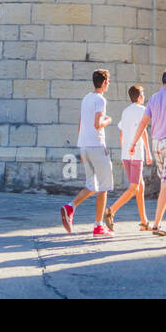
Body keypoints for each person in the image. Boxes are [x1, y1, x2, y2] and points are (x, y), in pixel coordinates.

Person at [126, 68, 166, 236]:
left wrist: (133, 143)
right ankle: (156, 225)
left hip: (156, 144)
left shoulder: (153, 99)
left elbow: (143, 123)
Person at [60, 68, 114, 237]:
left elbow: (81, 123)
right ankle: (98, 226)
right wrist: (108, 121)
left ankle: (70, 206)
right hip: (97, 145)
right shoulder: (100, 99)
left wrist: (82, 148)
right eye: (108, 81)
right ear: (104, 82)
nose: (109, 84)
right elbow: (97, 124)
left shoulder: (86, 98)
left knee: (92, 186)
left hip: (84, 145)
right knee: (103, 187)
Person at [104, 83, 152, 231]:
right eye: (143, 95)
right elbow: (143, 131)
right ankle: (110, 210)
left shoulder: (125, 111)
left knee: (140, 186)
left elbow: (121, 132)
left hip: (126, 154)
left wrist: (124, 149)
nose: (144, 97)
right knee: (133, 187)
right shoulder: (143, 110)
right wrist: (148, 152)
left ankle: (144, 222)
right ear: (139, 97)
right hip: (136, 154)